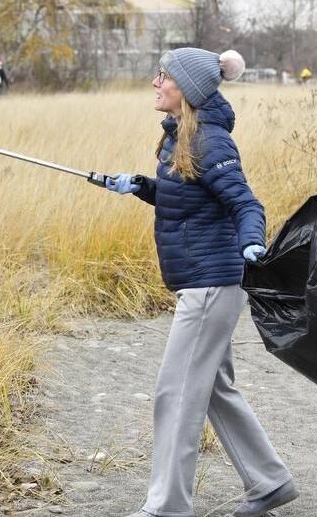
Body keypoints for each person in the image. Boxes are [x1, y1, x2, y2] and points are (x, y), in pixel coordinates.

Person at [105, 48, 298, 517]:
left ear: (186, 89)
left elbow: (246, 205)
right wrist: (141, 187)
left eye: (163, 76)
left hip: (211, 286)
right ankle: (269, 482)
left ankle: (167, 506)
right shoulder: (180, 138)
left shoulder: (210, 142)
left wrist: (252, 243)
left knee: (175, 393)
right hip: (203, 281)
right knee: (213, 387)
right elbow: (190, 200)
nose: (155, 83)